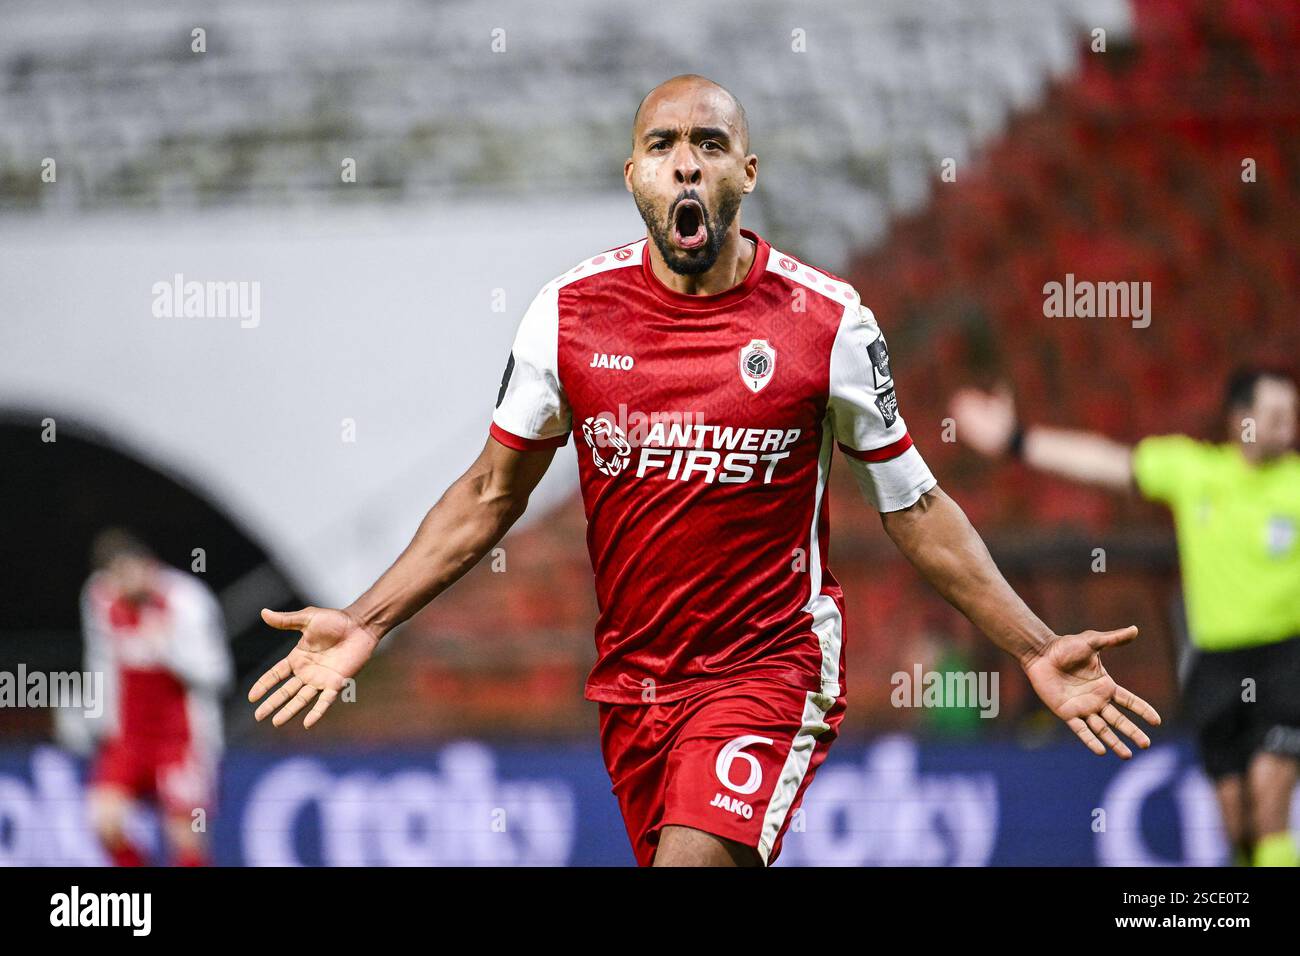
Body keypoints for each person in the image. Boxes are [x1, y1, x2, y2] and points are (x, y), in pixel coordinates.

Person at [249, 74, 1159, 867]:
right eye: (664, 145)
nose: (687, 163)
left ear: (746, 175)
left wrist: (1037, 645)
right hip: (635, 684)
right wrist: (367, 619)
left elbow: (913, 506)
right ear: (635, 176)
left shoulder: (826, 324)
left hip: (771, 668)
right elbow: (492, 495)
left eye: (711, 144)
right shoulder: (567, 318)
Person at [949, 368, 1300, 866]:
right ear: (1241, 420)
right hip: (1215, 666)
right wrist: (1016, 440)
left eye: (1292, 414)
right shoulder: (1195, 470)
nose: (1289, 426)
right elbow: (1103, 461)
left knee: (1270, 802)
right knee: (1236, 820)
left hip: (1285, 661)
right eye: (1276, 415)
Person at [69, 528, 232, 866]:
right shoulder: (99, 597)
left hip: (180, 740)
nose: (124, 588)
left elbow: (218, 674)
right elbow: (100, 660)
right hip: (128, 737)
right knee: (104, 820)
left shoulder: (188, 600)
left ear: (150, 567)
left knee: (186, 839)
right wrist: (95, 719)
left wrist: (167, 648)